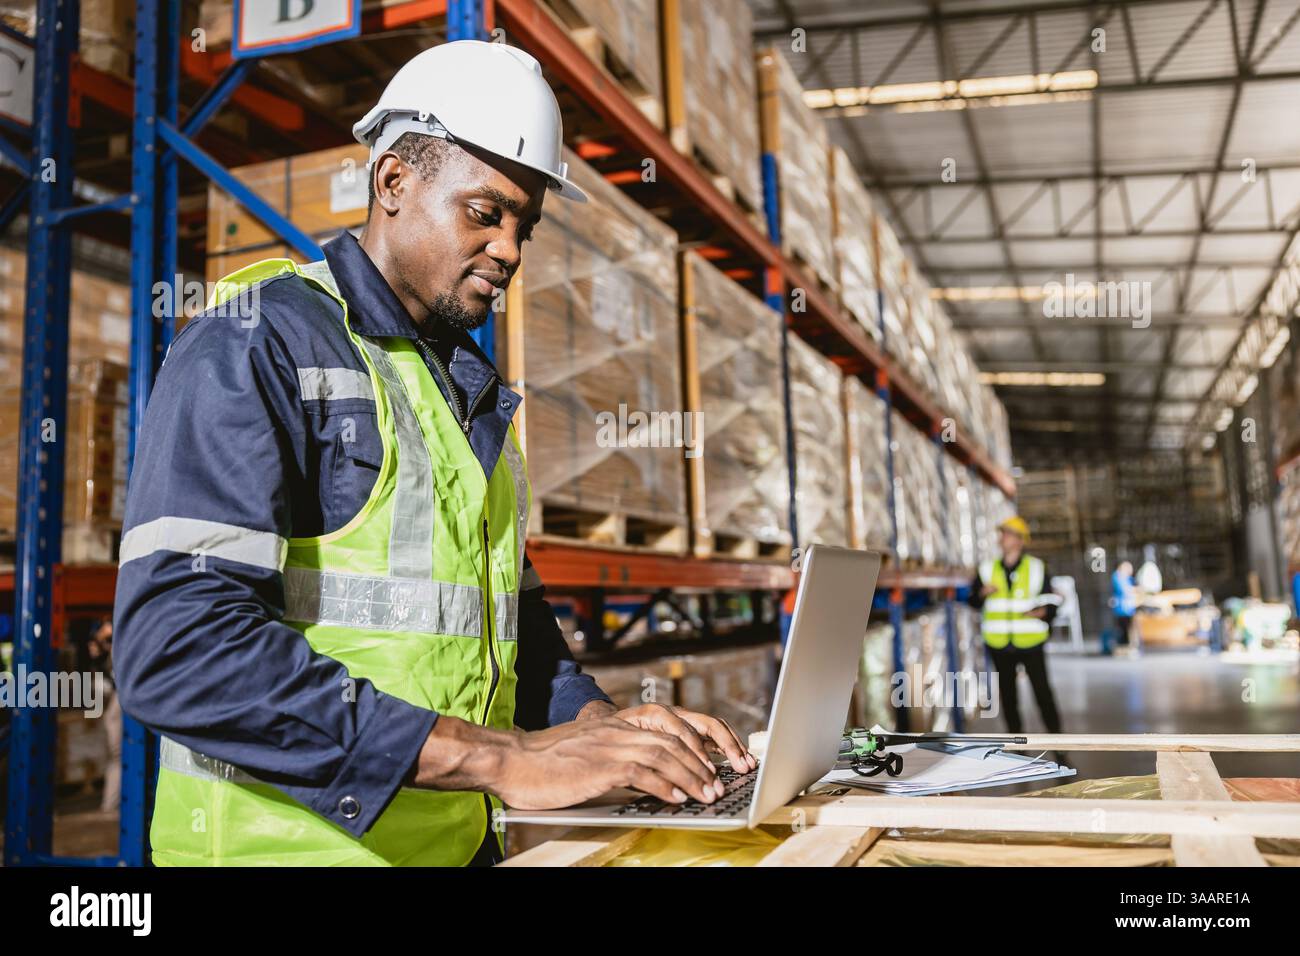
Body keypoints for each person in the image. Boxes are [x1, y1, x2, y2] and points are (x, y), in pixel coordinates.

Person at [113, 40, 753, 867]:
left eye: (525, 224)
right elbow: (179, 648)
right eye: (485, 213)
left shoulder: (462, 387)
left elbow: (500, 625)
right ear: (393, 182)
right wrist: (502, 759)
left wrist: (596, 724)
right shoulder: (256, 343)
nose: (511, 250)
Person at [968, 516, 1063, 735]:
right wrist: (982, 593)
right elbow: (972, 601)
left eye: (1008, 533)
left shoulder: (1037, 568)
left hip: (1031, 642)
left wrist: (1044, 612)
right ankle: (1017, 745)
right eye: (1002, 533)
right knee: (1009, 698)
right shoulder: (986, 568)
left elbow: (1052, 601)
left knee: (1043, 694)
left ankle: (1058, 743)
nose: (1002, 538)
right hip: (999, 644)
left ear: (1020, 540)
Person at [87, 620, 120, 813]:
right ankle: (110, 804)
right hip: (115, 702)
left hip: (121, 701)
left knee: (117, 757)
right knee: (116, 757)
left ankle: (110, 804)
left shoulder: (116, 649)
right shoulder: (102, 660)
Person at [1107, 560, 1137, 654]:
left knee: (1128, 628)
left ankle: (1127, 648)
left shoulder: (1127, 578)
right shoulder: (1117, 576)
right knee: (1122, 629)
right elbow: (1125, 590)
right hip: (1122, 609)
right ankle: (1121, 649)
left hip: (1129, 608)